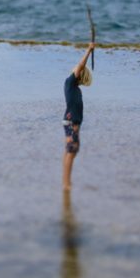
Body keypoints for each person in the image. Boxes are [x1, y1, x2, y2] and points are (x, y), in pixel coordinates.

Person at [62, 42, 94, 190]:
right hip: (70, 121)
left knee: (72, 149)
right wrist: (88, 50)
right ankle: (66, 183)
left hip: (73, 122)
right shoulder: (69, 82)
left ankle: (66, 181)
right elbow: (81, 64)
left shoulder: (75, 88)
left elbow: (80, 67)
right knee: (72, 149)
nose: (76, 67)